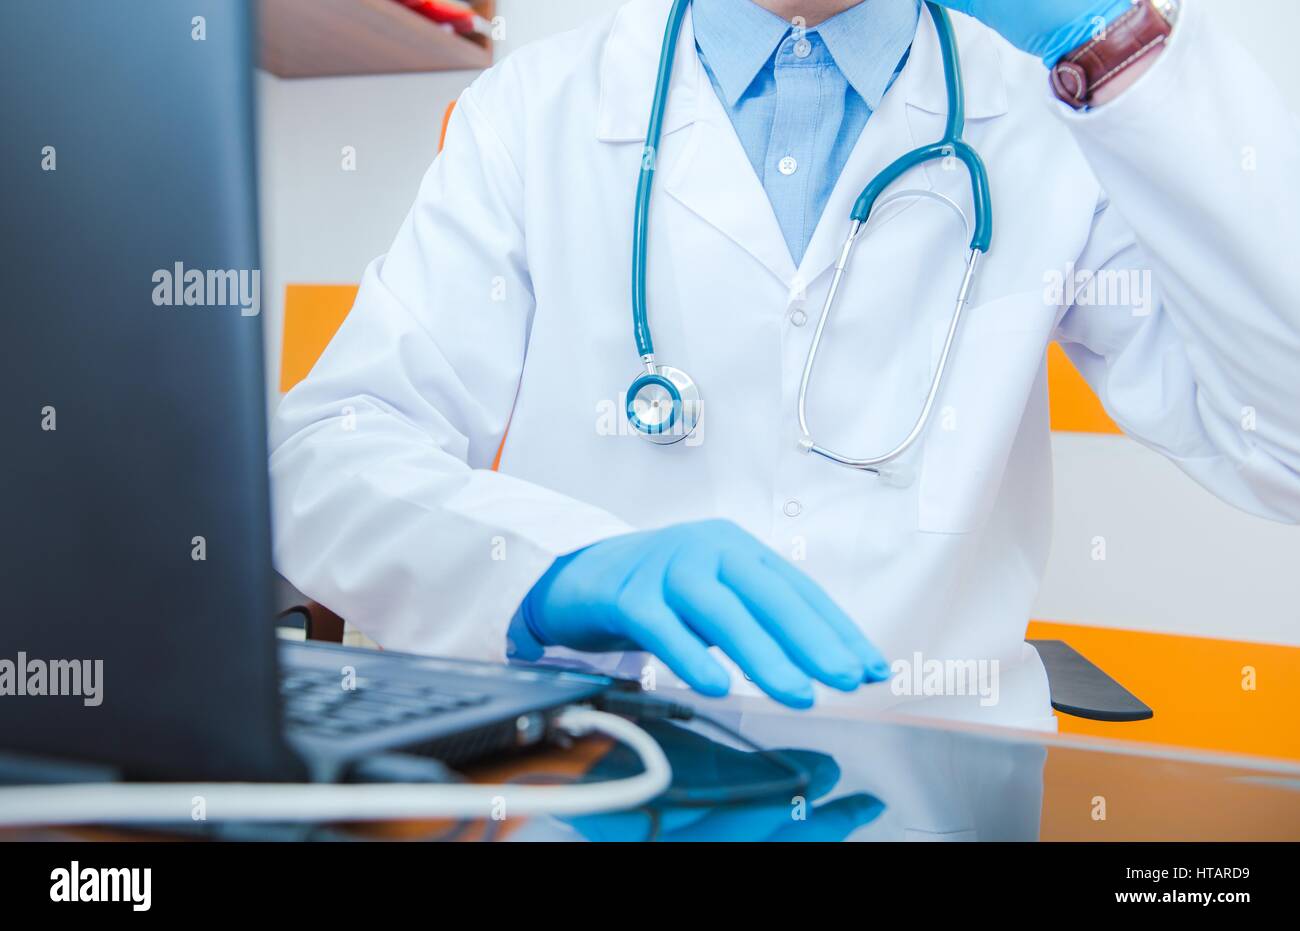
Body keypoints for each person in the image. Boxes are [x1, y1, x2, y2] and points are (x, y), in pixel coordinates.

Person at [269, 0, 1300, 725]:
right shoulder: (534, 108)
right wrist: (551, 566)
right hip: (597, 761)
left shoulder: (1051, 104)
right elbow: (328, 453)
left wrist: (1116, 44)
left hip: (943, 785)